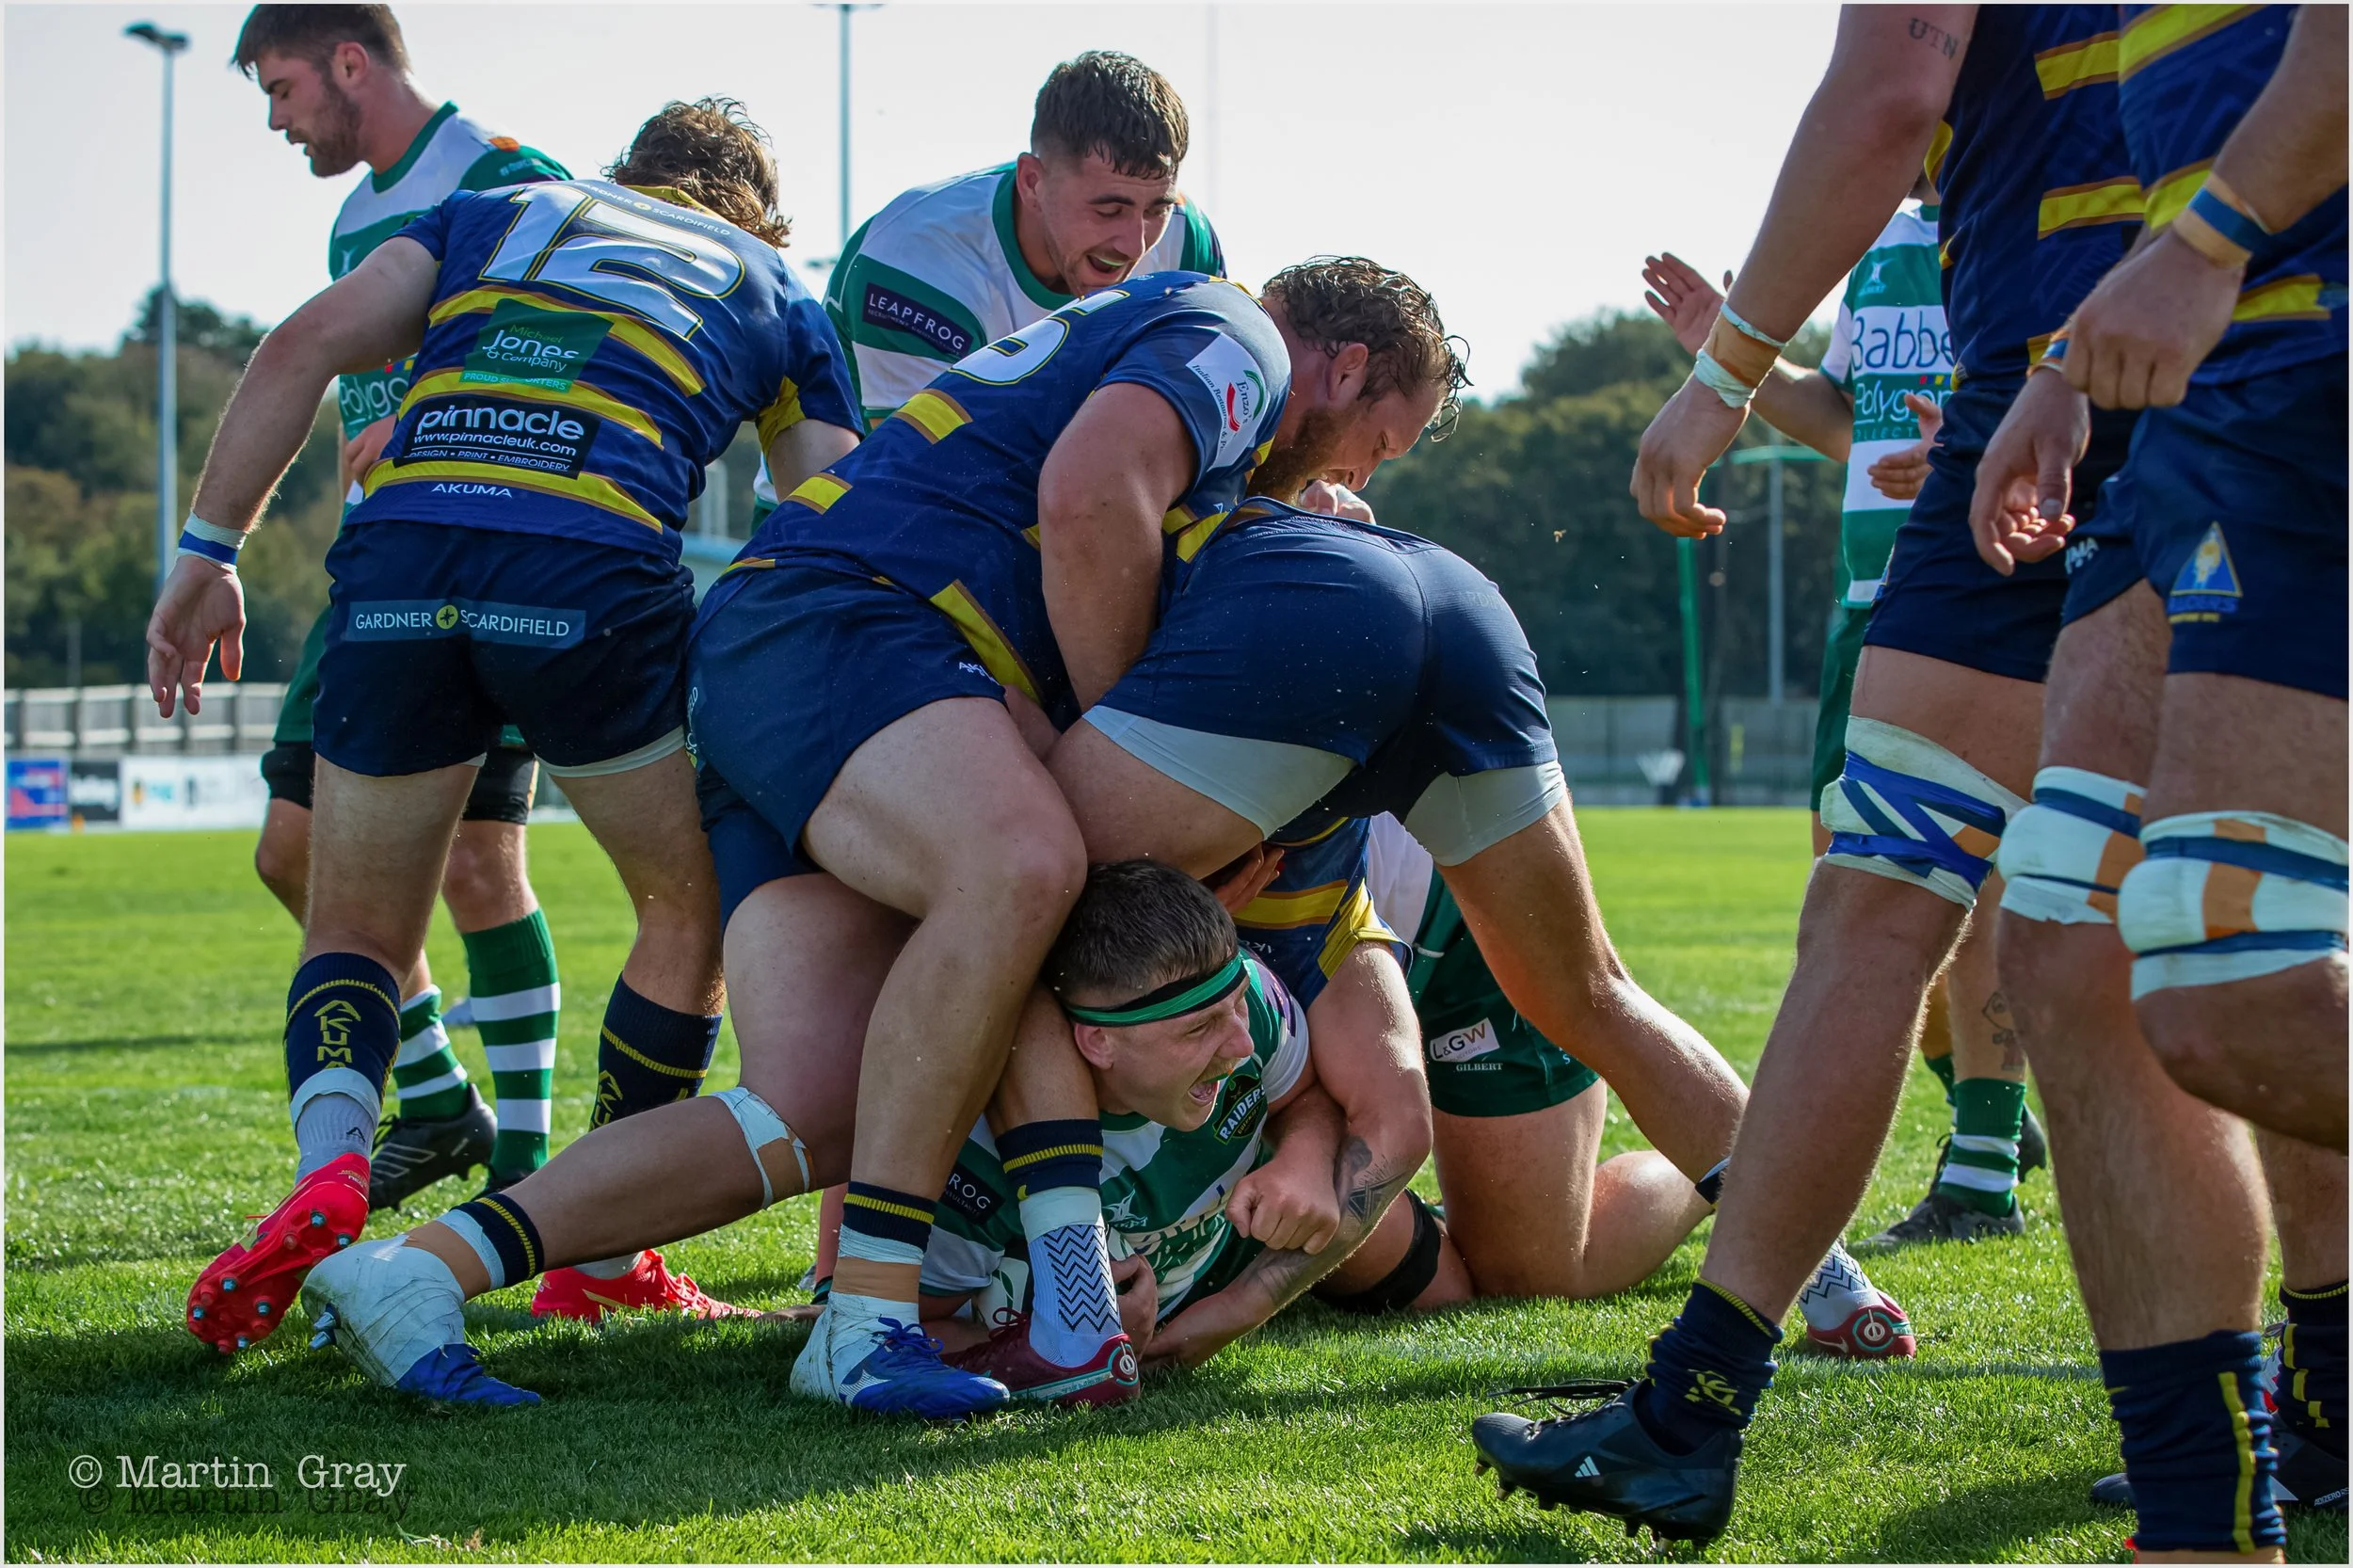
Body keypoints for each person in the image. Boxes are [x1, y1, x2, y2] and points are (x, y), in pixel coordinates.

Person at [293, 253, 1458, 1419]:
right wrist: (1121, 740)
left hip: (811, 648)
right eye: (1380, 440)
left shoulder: (1187, 390)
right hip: (848, 625)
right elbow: (1090, 495)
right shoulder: (1236, 336)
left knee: (811, 1106)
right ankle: (893, 1317)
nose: (1362, 473)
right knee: (1030, 865)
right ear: (1344, 366)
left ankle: (414, 1272)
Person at [1467, 7, 2146, 1544]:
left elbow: (1895, 72)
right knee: (1899, 910)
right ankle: (1695, 1403)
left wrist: (1720, 369)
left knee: (2191, 945)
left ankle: (2282, 1405)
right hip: (2027, 443)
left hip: (2183, 415)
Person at [146, 99, 863, 1381]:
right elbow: (824, 516)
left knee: (357, 925)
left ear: (628, 176)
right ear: (754, 211)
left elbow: (304, 340)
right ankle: (597, 1252)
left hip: (403, 553)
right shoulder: (775, 285)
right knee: (680, 915)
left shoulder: (499, 211)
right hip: (587, 567)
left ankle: (331, 1175)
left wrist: (207, 550)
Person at [1968, 2, 2345, 1543]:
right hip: (2204, 399)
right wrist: (2069, 359)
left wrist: (2206, 242)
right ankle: (2208, 1517)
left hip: (2322, 363)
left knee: (2228, 968)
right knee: (2063, 945)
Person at [1640, 186, 2050, 1244]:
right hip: (1871, 601)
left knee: (1973, 877)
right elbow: (1845, 417)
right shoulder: (1874, 239)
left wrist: (1970, 451)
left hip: (1990, 583)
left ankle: (1980, 1172)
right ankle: (1991, 1111)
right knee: (1857, 899)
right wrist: (1731, 362)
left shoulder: (2027, 195)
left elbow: (2073, 389)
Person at [232, 5, 575, 1207]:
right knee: (292, 849)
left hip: (489, 555)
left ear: (349, 61)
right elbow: (357, 394)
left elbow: (557, 349)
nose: (277, 121)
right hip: (379, 568)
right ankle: (436, 1103)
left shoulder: (511, 177)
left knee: (484, 863)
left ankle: (527, 1167)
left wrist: (434, 418)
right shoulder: (351, 220)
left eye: (282, 90)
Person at [1293, 814, 1910, 1363]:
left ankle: (1715, 1167)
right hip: (1302, 911)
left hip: (1454, 884)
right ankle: (1726, 1156)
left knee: (1534, 1270)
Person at [920, 861, 1414, 1389]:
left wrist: (1306, 1160)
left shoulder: (1249, 1008)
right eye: (1198, 1029)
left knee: (1463, 1281)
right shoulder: (980, 1162)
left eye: (1237, 1004)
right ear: (1098, 1042)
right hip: (1184, 1264)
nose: (1241, 1046)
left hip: (1240, 1235)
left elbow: (1305, 1095)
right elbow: (914, 1331)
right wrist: (1067, 1337)